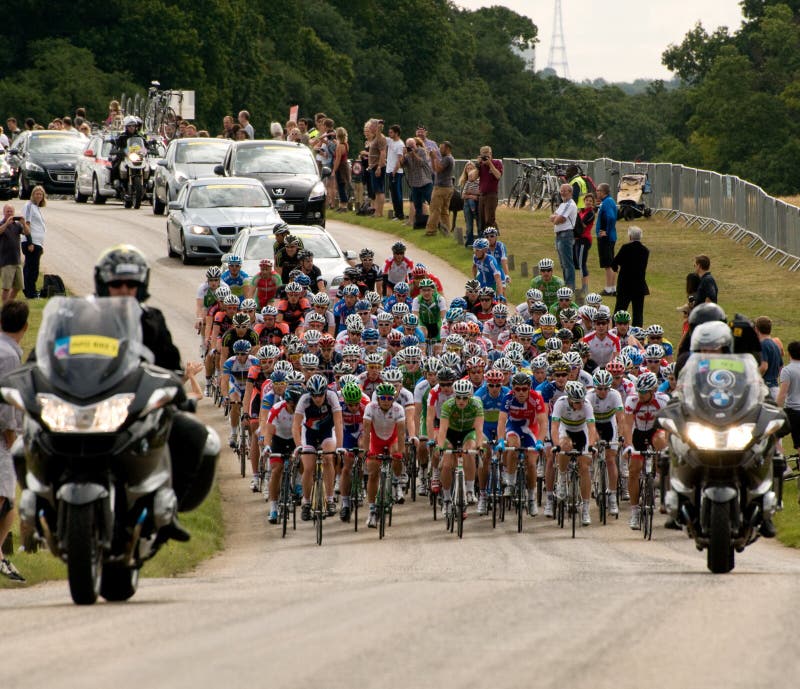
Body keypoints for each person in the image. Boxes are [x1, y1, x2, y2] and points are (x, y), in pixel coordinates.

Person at [94, 245, 218, 539]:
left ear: (141, 287)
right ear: (103, 285)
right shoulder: (86, 317)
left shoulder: (152, 320)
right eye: (116, 284)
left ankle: (168, 508)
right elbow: (50, 355)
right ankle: (40, 502)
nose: (123, 290)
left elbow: (172, 367)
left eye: (130, 284)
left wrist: (176, 391)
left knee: (196, 435)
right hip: (91, 405)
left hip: (139, 407)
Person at [0, 301, 28, 581]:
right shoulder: (9, 355)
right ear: (26, 327)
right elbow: (7, 396)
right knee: (5, 495)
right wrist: (10, 430)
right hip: (2, 433)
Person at [610, 225, 650, 327]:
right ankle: (638, 332)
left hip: (625, 284)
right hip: (639, 285)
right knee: (638, 312)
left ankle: (616, 328)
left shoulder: (626, 248)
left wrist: (616, 269)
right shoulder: (645, 250)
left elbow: (614, 262)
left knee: (620, 309)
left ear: (630, 236)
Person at [550, 183, 577, 290]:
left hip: (566, 235)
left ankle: (570, 287)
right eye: (561, 190)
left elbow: (558, 220)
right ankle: (567, 285)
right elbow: (552, 216)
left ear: (570, 192)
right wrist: (556, 217)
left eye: (565, 191)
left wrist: (556, 218)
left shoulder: (570, 204)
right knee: (563, 263)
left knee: (567, 263)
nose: (562, 192)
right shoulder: (563, 204)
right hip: (559, 235)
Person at [21, 185, 46, 299]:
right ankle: (29, 292)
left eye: (41, 194)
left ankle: (32, 290)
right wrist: (30, 242)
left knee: (34, 268)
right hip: (31, 242)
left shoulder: (36, 207)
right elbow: (27, 224)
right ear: (32, 194)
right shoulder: (29, 206)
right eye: (37, 193)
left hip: (37, 243)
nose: (39, 196)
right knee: (31, 269)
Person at [0, 204, 29, 304]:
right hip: (6, 261)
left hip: (17, 260)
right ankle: (4, 310)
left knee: (18, 287)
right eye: (7, 211)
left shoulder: (17, 225)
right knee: (6, 287)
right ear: (4, 212)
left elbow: (27, 233)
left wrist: (24, 224)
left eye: (11, 211)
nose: (9, 213)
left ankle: (8, 305)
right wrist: (7, 224)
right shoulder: (2, 223)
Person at [425, 141, 455, 237]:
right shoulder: (447, 158)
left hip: (441, 188)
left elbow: (438, 169)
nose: (439, 150)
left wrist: (434, 157)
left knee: (434, 209)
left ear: (448, 149)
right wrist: (434, 159)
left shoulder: (447, 159)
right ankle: (446, 231)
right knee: (444, 212)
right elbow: (435, 169)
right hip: (447, 187)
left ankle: (431, 231)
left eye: (442, 148)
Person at [403, 137, 433, 229]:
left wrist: (413, 154)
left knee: (431, 202)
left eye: (412, 145)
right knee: (417, 205)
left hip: (425, 182)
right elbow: (402, 165)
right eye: (409, 146)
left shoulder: (421, 151)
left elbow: (422, 163)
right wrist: (403, 156)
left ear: (415, 144)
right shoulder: (407, 155)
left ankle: (435, 222)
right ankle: (420, 224)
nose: (411, 148)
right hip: (415, 184)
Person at [594, 183, 618, 295]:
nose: (596, 192)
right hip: (609, 237)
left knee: (607, 264)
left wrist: (606, 232)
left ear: (603, 192)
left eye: (598, 190)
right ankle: (612, 287)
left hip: (606, 238)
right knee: (610, 263)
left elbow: (611, 217)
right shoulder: (608, 201)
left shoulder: (607, 202)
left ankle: (609, 288)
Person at [777, 341, 800, 452]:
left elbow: (782, 394)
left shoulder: (787, 370)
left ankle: (780, 459)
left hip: (793, 411)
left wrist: (776, 410)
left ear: (789, 353)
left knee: (773, 435)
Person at [477, 146, 503, 234]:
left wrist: (490, 164)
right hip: (482, 194)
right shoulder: (481, 165)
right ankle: (488, 236)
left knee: (489, 219)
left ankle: (493, 236)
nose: (485, 157)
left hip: (491, 194)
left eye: (487, 154)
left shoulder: (497, 163)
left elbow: (498, 176)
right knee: (482, 219)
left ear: (491, 154)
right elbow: (472, 177)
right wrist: (478, 165)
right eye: (483, 155)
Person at [755, 316, 782, 400]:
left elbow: (764, 367)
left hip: (766, 389)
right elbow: (781, 366)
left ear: (756, 329)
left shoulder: (763, 345)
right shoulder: (775, 345)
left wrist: (754, 378)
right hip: (775, 387)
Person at [573, 192, 595, 297]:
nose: (588, 202)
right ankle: (582, 287)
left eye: (591, 201)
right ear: (584, 201)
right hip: (577, 240)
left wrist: (575, 216)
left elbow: (582, 226)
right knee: (578, 263)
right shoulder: (582, 211)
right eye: (587, 200)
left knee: (582, 264)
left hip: (584, 241)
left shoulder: (590, 213)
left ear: (593, 203)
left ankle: (585, 288)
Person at [367, 119, 387, 219]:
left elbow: (383, 153)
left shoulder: (380, 138)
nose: (369, 128)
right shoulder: (375, 138)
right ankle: (377, 212)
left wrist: (379, 167)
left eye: (371, 126)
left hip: (377, 166)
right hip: (373, 166)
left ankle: (379, 212)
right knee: (377, 190)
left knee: (379, 190)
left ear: (376, 127)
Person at [386, 124, 405, 221]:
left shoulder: (400, 144)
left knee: (397, 193)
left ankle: (400, 214)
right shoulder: (390, 141)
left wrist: (394, 171)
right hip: (390, 170)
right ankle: (397, 213)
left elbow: (400, 159)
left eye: (391, 132)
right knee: (393, 193)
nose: (389, 134)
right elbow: (379, 137)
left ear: (396, 133)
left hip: (396, 172)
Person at [459, 162, 480, 247]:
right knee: (469, 225)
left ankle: (480, 242)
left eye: (471, 168)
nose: (469, 170)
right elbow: (463, 195)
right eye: (468, 168)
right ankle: (469, 242)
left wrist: (471, 194)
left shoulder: (478, 181)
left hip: (477, 203)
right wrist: (471, 195)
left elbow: (480, 193)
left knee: (479, 223)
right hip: (467, 204)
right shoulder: (464, 182)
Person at [332, 127, 350, 213]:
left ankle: (344, 205)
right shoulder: (346, 144)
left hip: (340, 167)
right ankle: (342, 204)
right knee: (343, 185)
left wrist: (334, 170)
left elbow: (337, 159)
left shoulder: (339, 147)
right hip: (345, 166)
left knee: (340, 186)